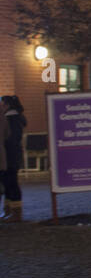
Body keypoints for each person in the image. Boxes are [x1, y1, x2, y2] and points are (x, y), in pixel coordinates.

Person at [1, 95, 26, 223]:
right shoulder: (11, 118)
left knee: (11, 183)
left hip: (10, 156)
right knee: (7, 183)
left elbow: (10, 139)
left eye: (3, 104)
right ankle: (9, 211)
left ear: (8, 105)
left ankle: (16, 214)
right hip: (10, 155)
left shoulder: (12, 119)